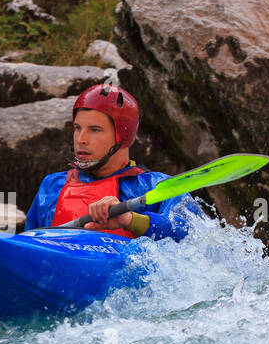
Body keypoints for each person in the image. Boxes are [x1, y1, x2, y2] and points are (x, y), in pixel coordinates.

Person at [24, 82, 207, 241]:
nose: (81, 139)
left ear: (122, 137)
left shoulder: (157, 186)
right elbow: (27, 248)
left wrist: (129, 220)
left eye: (94, 130)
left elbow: (195, 237)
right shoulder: (52, 186)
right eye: (77, 128)